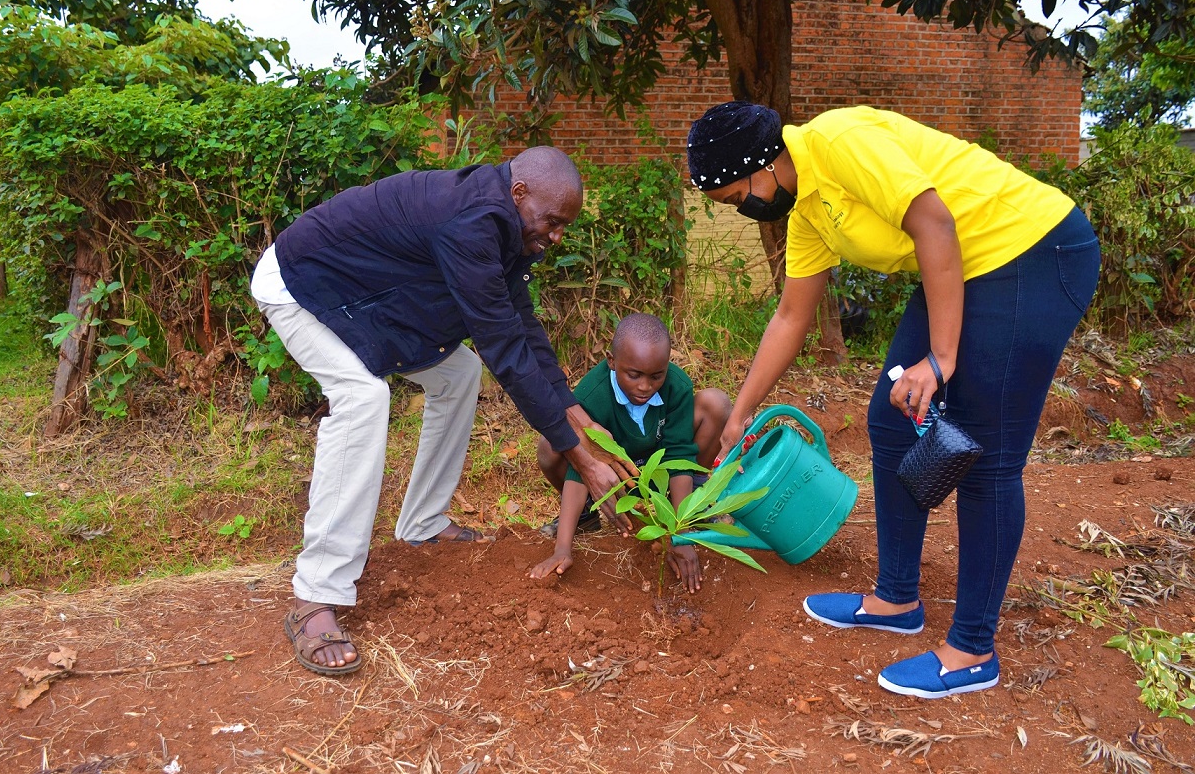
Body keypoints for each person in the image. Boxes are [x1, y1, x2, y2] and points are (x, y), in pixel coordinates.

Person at [687, 101, 1100, 698]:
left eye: (736, 196)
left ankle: (972, 650)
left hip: (1031, 251)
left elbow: (933, 222)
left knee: (984, 453)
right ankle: (896, 597)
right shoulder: (805, 209)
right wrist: (742, 411)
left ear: (763, 162)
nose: (743, 209)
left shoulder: (838, 141)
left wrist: (942, 359)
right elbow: (790, 315)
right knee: (891, 417)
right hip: (966, 265)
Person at [251, 147, 635, 676]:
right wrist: (581, 458)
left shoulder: (512, 227)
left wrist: (574, 411)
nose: (557, 235)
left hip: (370, 295)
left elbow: (521, 323)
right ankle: (315, 594)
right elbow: (502, 344)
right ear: (519, 193)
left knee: (459, 374)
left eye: (564, 225)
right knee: (364, 398)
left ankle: (422, 523)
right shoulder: (473, 222)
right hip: (303, 284)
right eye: (553, 221)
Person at [529, 313, 731, 593]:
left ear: (667, 366)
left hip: (658, 472)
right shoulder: (592, 394)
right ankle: (586, 514)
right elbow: (580, 467)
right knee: (551, 445)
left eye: (656, 376)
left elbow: (677, 456)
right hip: (609, 476)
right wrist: (562, 548)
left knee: (716, 403)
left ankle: (689, 507)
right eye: (634, 375)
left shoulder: (677, 386)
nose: (645, 387)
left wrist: (680, 534)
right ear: (612, 362)